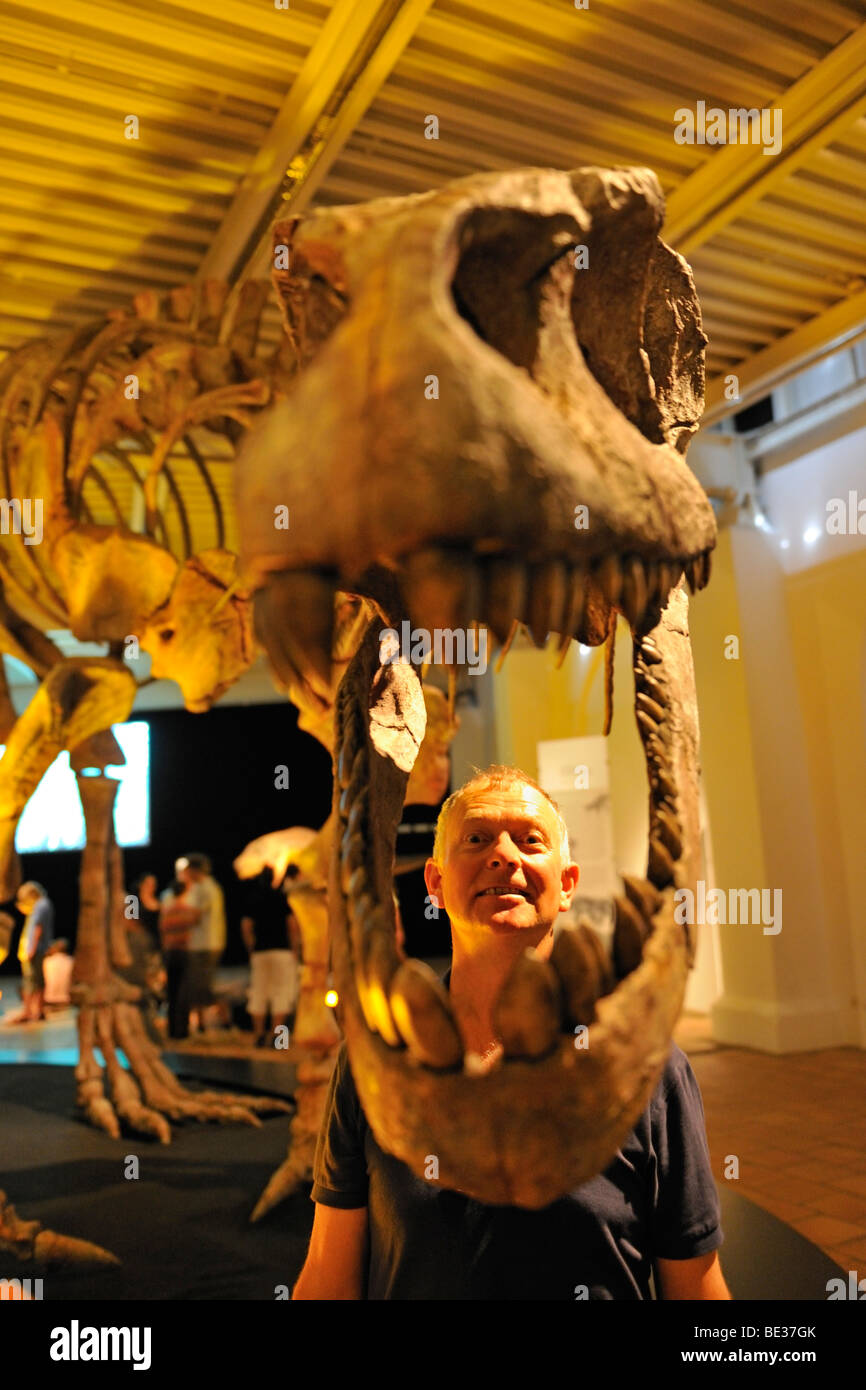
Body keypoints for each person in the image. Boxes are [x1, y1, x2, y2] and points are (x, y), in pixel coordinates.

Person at [293, 765, 730, 1301]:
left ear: (567, 884)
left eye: (530, 840)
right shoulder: (370, 1058)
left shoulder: (655, 1068)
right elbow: (328, 1277)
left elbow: (697, 1288)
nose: (504, 856)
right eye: (476, 839)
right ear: (435, 882)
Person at [240, 865, 299, 1048]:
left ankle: (258, 1036)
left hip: (260, 951)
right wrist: (295, 949)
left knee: (259, 992)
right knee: (282, 993)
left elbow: (246, 926)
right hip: (282, 951)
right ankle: (279, 1040)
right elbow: (292, 926)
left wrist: (251, 947)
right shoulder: (283, 898)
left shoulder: (252, 899)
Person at [183, 853, 226, 1032]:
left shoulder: (206, 888)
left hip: (205, 945)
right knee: (198, 985)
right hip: (205, 944)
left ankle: (224, 1020)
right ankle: (201, 1024)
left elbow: (195, 916)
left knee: (203, 986)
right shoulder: (204, 887)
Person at [159, 863, 200, 1041]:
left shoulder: (167, 911)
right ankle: (182, 1030)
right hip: (182, 952)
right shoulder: (187, 911)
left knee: (172, 992)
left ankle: (171, 1029)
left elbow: (162, 930)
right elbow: (197, 921)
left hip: (169, 952)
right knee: (183, 991)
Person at [13, 882, 54, 1024]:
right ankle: (38, 1010)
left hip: (34, 949)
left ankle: (29, 1011)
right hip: (38, 948)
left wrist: (31, 949)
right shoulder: (44, 904)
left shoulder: (40, 905)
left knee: (31, 980)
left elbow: (37, 928)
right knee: (37, 980)